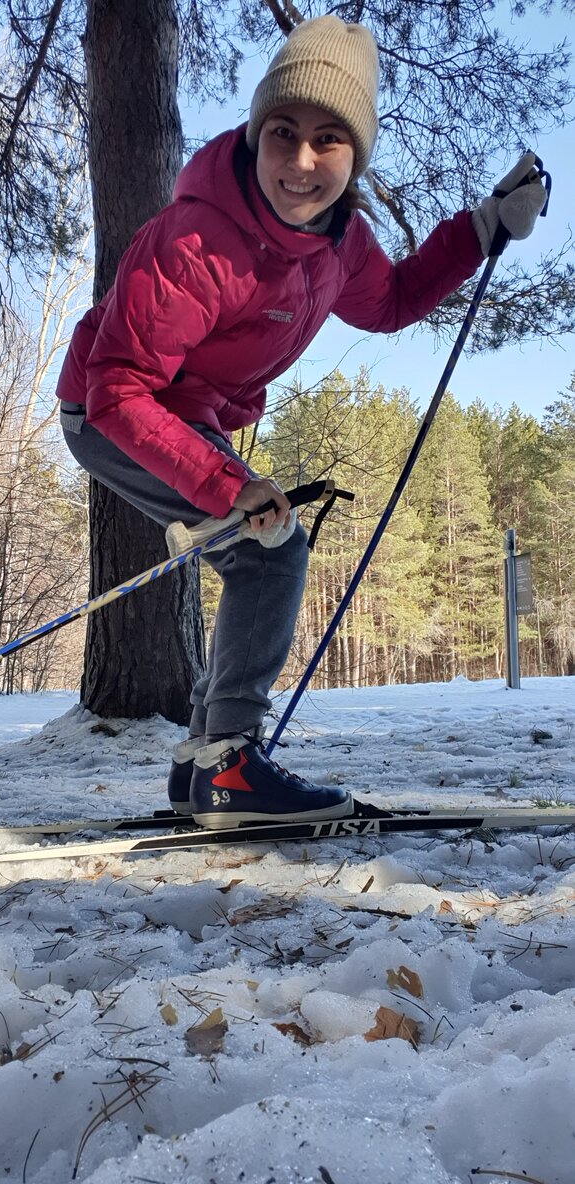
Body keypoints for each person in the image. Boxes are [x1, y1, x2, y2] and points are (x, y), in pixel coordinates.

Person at [57, 16, 546, 831]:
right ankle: (229, 765)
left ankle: (203, 766)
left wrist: (480, 228)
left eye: (328, 139)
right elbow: (117, 392)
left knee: (264, 550)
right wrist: (228, 483)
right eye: (281, 133)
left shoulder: (339, 243)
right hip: (110, 412)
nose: (301, 161)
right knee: (271, 552)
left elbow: (389, 303)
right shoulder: (194, 241)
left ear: (355, 156)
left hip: (178, 412)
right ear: (254, 137)